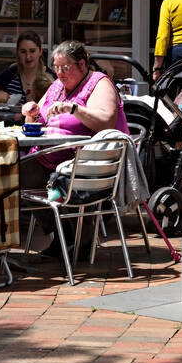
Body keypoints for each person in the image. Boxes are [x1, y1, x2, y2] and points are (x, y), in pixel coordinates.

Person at [19, 40, 130, 258]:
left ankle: (80, 238)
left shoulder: (99, 83)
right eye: (57, 68)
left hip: (89, 162)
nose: (59, 74)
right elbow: (38, 117)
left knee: (53, 177)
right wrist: (30, 112)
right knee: (18, 175)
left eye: (65, 68)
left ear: (82, 64)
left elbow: (106, 120)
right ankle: (63, 235)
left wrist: (75, 109)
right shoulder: (57, 86)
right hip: (53, 157)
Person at [0, 30, 54, 106]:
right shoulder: (11, 72)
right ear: (17, 53)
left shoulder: (50, 77)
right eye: (23, 52)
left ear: (40, 51)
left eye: (32, 51)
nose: (28, 56)